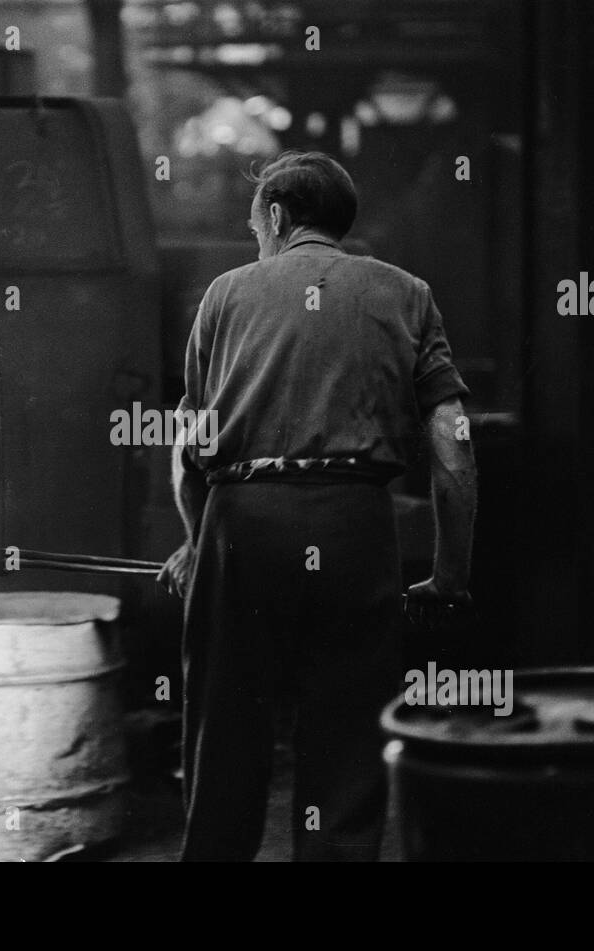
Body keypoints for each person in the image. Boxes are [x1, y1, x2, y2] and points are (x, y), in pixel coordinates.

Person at [157, 150, 478, 861]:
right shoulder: (408, 293)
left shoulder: (225, 295)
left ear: (275, 216)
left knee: (225, 732)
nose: (257, 243)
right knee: (349, 740)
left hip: (243, 526)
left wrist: (199, 544)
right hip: (355, 526)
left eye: (256, 229)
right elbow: (453, 441)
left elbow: (189, 444)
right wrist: (450, 574)